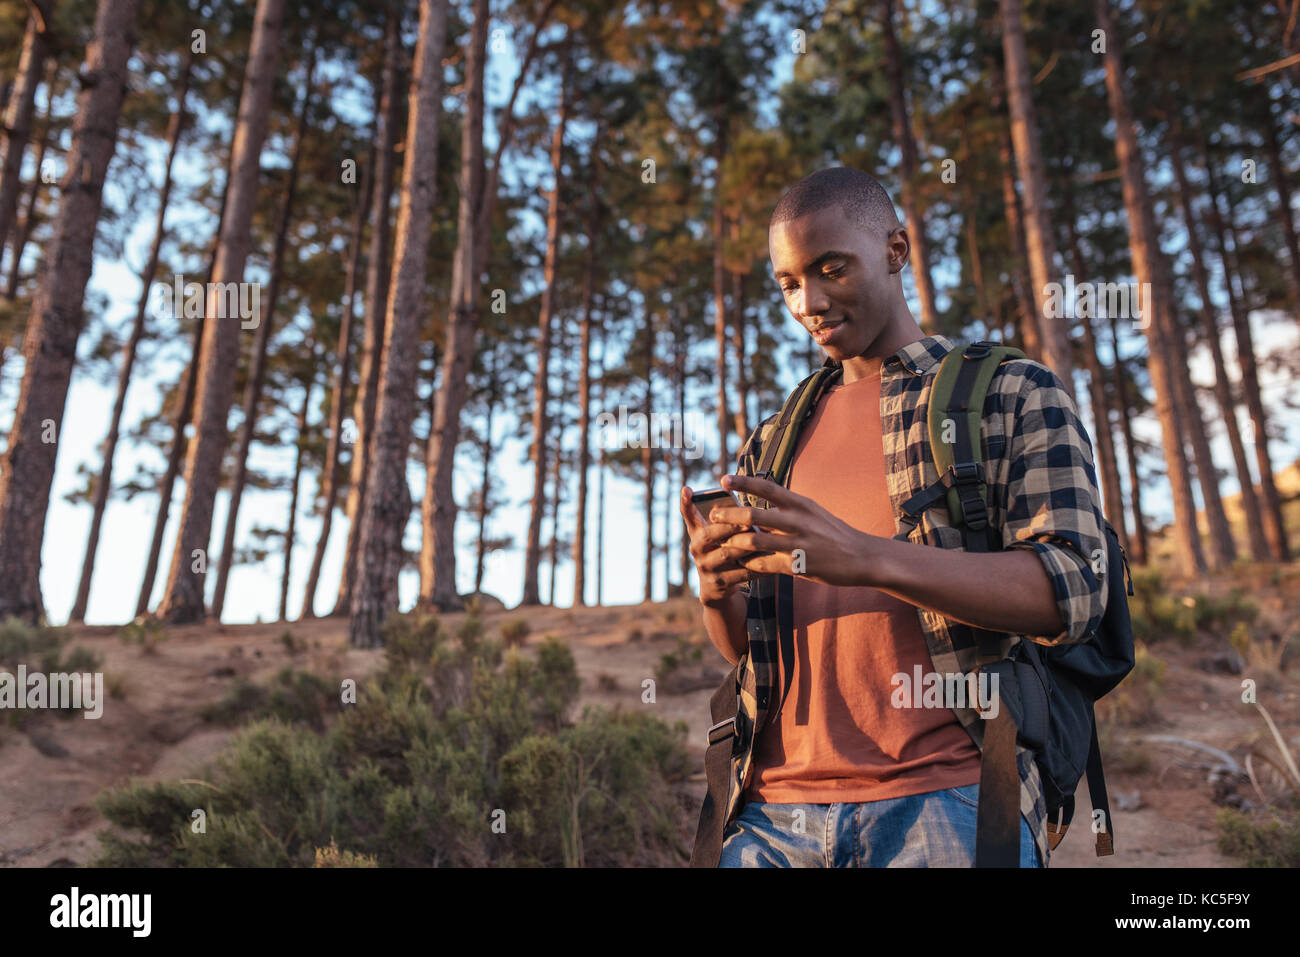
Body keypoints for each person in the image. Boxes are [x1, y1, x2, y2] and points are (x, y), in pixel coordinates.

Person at [680, 166, 1108, 868]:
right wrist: (715, 588)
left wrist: (870, 556)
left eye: (830, 268)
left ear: (896, 250)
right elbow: (747, 653)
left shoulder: (1010, 393)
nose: (809, 302)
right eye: (788, 283)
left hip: (950, 806)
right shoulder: (774, 439)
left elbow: (1072, 589)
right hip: (767, 820)